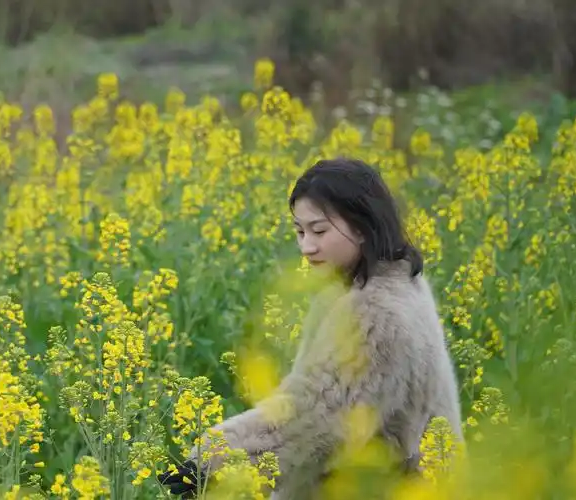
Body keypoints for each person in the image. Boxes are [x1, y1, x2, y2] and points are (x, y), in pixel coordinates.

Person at [158, 158, 464, 499]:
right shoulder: (389, 283)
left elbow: (322, 417)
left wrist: (214, 461)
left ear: (362, 227)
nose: (307, 247)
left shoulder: (378, 311)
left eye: (319, 231)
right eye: (300, 231)